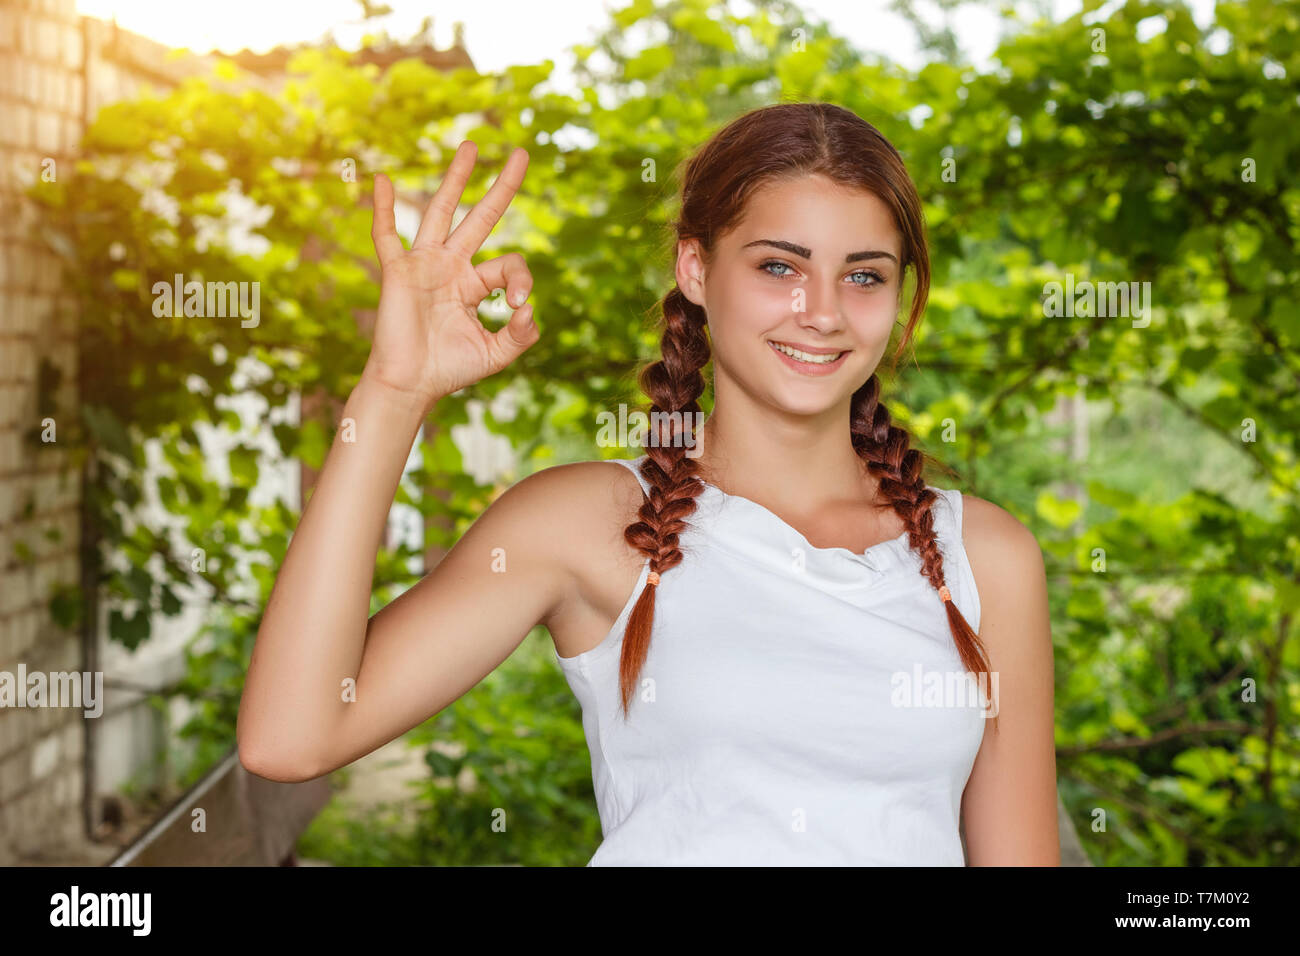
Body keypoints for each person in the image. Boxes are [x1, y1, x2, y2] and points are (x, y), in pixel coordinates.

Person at [237, 102, 1059, 866]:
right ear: (696, 270)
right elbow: (291, 736)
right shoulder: (584, 524)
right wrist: (392, 393)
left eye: (865, 275)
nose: (822, 311)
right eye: (780, 266)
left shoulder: (984, 557)